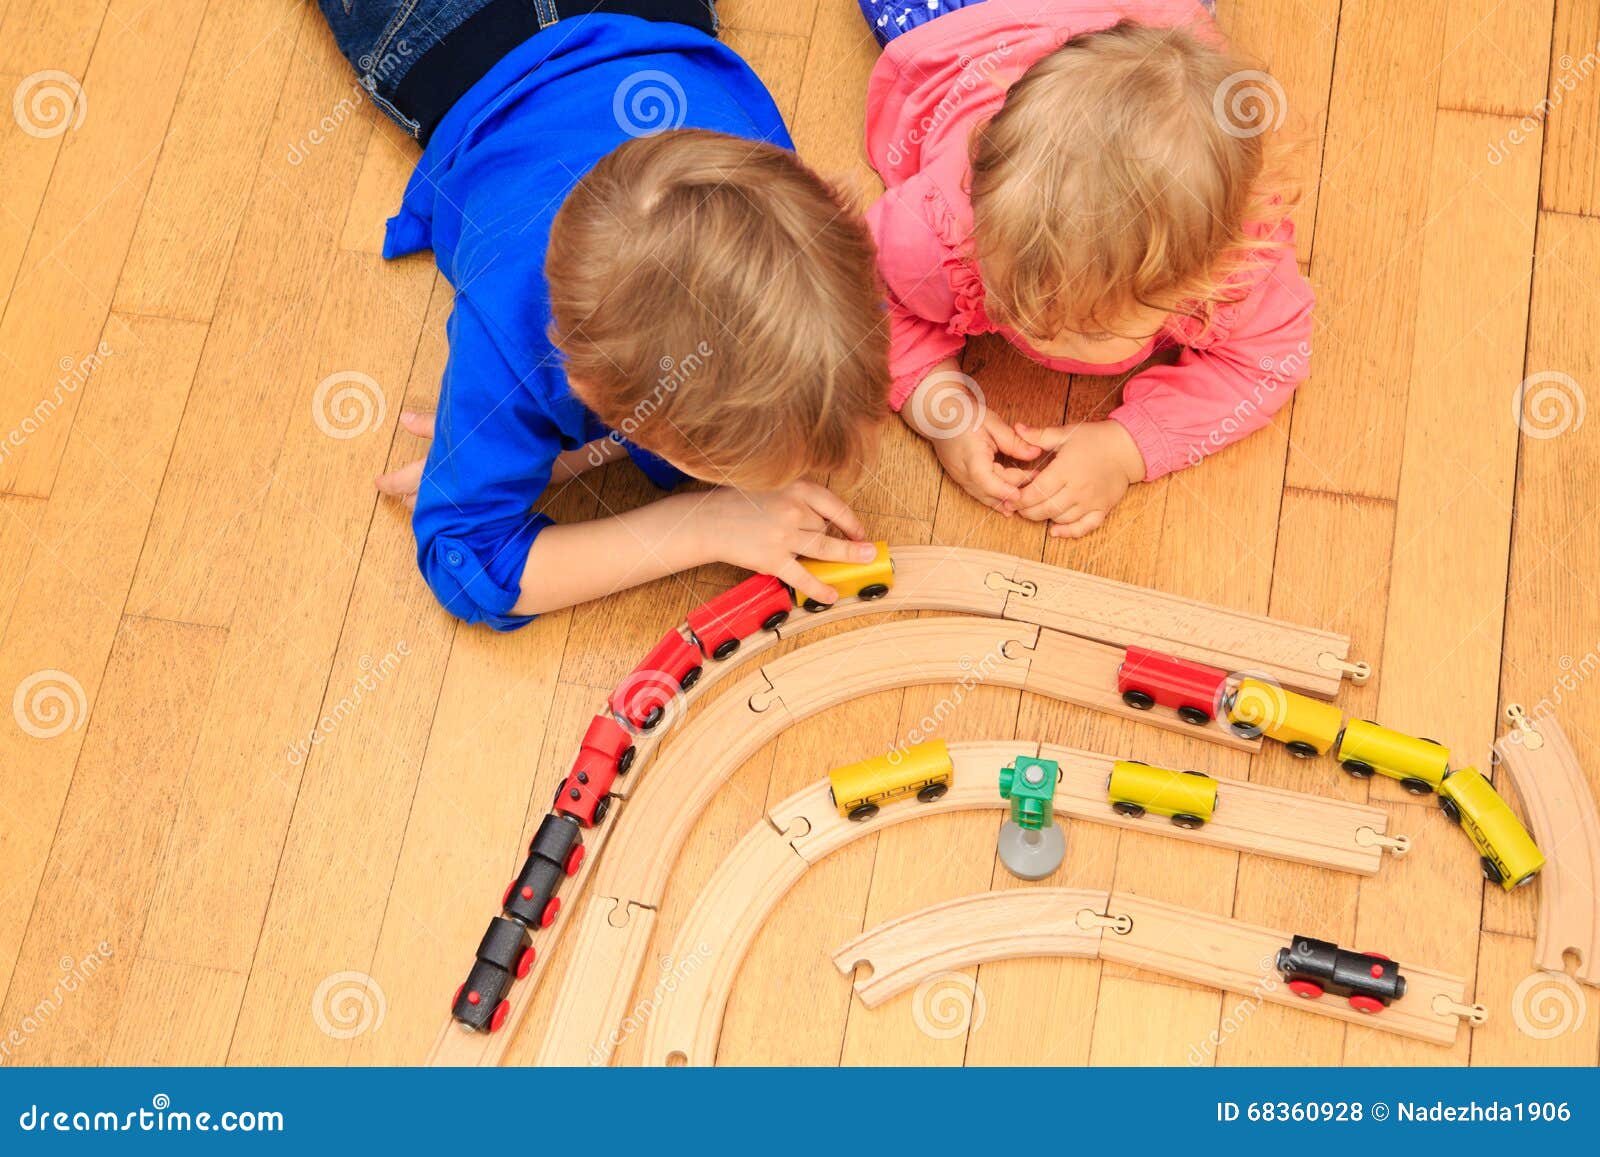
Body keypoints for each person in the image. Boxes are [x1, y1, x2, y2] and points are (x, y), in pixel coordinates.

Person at [316, 2, 890, 627]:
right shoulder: (511, 335)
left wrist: (556, 455)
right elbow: (467, 560)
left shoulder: (769, 188)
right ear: (584, 389)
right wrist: (704, 524)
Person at [859, 0, 1312, 538]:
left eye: (1089, 326)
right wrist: (938, 405)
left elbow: (1267, 362)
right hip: (972, 27)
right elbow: (860, 290)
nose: (1036, 332)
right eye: (1007, 296)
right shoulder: (936, 231)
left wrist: (1128, 448)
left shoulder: (1237, 271)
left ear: (1198, 283)